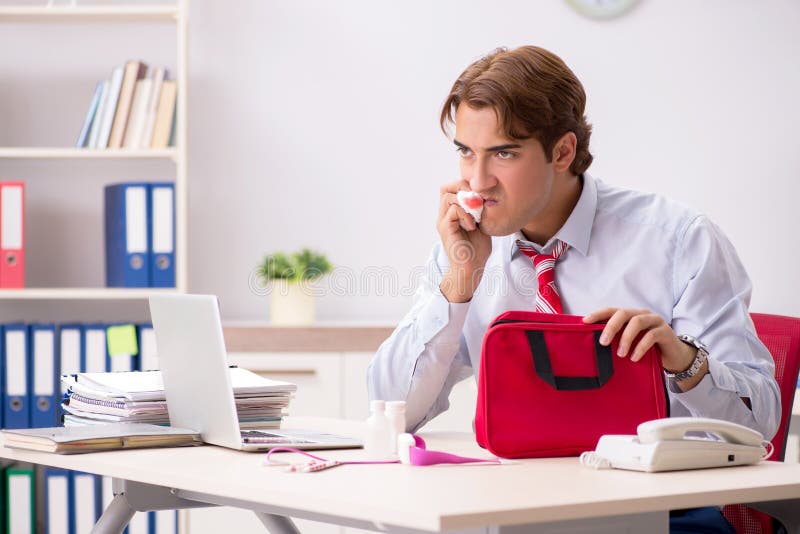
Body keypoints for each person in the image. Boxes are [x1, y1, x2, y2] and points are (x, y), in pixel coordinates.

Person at [367, 46, 780, 533]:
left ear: (562, 152)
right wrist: (458, 286)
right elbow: (389, 410)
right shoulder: (466, 247)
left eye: (503, 153)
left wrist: (682, 360)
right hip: (512, 507)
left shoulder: (678, 240)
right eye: (465, 152)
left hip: (661, 510)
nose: (477, 182)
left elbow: (761, 423)